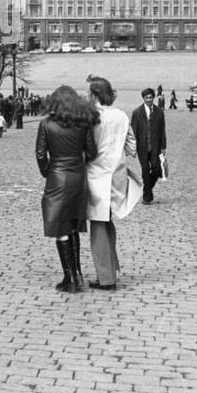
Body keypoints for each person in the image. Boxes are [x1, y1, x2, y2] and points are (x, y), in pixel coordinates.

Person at [35, 85, 100, 294]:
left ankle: (69, 277)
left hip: (57, 175)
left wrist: (48, 171)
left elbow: (40, 154)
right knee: (73, 224)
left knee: (60, 226)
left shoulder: (46, 124)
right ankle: (77, 273)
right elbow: (91, 152)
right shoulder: (83, 124)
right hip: (78, 177)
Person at [85, 77, 141, 292]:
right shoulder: (121, 115)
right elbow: (132, 146)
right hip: (117, 173)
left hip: (96, 174)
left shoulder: (91, 116)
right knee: (107, 223)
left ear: (95, 94)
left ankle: (106, 277)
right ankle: (110, 269)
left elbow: (87, 146)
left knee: (98, 226)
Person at [129, 88, 167, 205]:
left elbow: (162, 130)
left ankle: (146, 189)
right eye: (147, 98)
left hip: (155, 146)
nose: (149, 100)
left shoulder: (159, 112)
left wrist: (163, 147)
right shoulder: (137, 112)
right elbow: (133, 131)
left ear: (153, 98)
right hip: (142, 147)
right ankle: (147, 197)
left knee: (156, 169)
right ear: (143, 98)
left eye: (151, 97)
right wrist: (132, 148)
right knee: (145, 170)